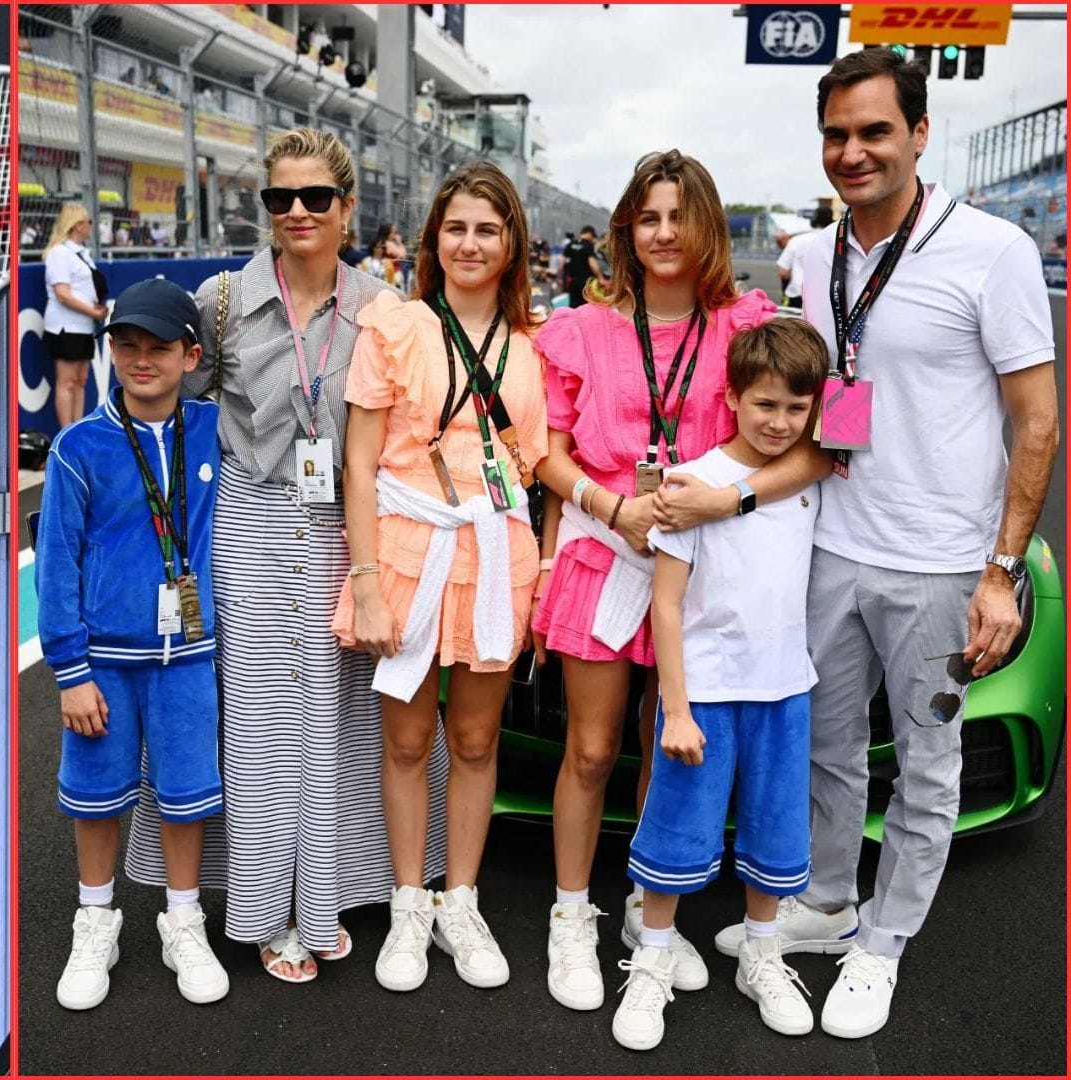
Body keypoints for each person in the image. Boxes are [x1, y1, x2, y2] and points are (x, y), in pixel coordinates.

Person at [705, 45, 1059, 1040]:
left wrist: (1001, 571)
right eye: (837, 134)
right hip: (828, 545)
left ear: (919, 133)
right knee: (826, 745)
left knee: (927, 762)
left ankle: (884, 940)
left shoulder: (992, 250)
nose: (853, 152)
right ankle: (826, 902)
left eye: (875, 131)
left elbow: (1037, 423)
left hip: (941, 564)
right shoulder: (814, 255)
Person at [126, 127, 426, 985]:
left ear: (346, 208)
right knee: (256, 723)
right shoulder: (222, 299)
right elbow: (178, 404)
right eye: (279, 197)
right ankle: (263, 909)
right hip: (249, 523)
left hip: (344, 525)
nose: (297, 211)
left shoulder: (383, 307)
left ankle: (324, 897)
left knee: (336, 717)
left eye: (315, 197)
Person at [529, 149, 818, 1013]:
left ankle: (641, 910)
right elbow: (544, 453)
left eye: (679, 217)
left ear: (707, 228)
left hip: (703, 568)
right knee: (591, 749)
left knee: (669, 746)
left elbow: (833, 439)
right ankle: (570, 915)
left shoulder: (748, 322)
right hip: (606, 552)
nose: (663, 233)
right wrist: (610, 506)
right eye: (648, 217)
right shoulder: (582, 328)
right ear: (627, 228)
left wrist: (727, 499)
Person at [336, 161, 548, 993]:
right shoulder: (395, 327)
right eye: (456, 227)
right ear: (433, 239)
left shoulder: (531, 347)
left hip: (495, 554)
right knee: (406, 739)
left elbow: (531, 469)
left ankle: (460, 899)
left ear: (511, 244)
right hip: (406, 550)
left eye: (487, 229)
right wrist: (364, 581)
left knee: (476, 739)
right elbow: (359, 464)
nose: (470, 243)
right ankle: (408, 902)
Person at [610, 317, 826, 1051]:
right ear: (731, 396)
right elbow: (666, 605)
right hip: (703, 694)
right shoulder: (690, 484)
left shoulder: (811, 474)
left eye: (796, 408)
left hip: (784, 688)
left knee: (775, 826)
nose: (780, 422)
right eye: (764, 403)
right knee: (677, 827)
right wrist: (675, 709)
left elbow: (845, 439)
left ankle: (761, 953)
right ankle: (653, 959)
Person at [39, 277, 227, 1010]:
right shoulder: (78, 446)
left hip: (189, 657)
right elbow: (57, 564)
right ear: (109, 350)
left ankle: (184, 919)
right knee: (95, 797)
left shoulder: (212, 429)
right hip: (104, 664)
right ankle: (96, 919)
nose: (141, 360)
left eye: (159, 348)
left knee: (186, 794)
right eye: (127, 345)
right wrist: (70, 670)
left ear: (191, 356)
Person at [42, 203, 107, 429]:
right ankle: (65, 431)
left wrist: (94, 308)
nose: (90, 226)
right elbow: (63, 294)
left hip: (83, 325)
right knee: (67, 381)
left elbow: (84, 290)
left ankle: (77, 428)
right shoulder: (60, 253)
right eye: (88, 221)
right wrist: (93, 311)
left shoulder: (83, 254)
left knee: (80, 380)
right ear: (77, 224)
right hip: (65, 326)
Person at [560, 226, 602, 308]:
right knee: (586, 305)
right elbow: (592, 264)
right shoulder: (588, 245)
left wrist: (560, 277)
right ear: (590, 234)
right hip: (586, 281)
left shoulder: (570, 244)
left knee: (573, 304)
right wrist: (600, 277)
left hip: (572, 280)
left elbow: (562, 262)